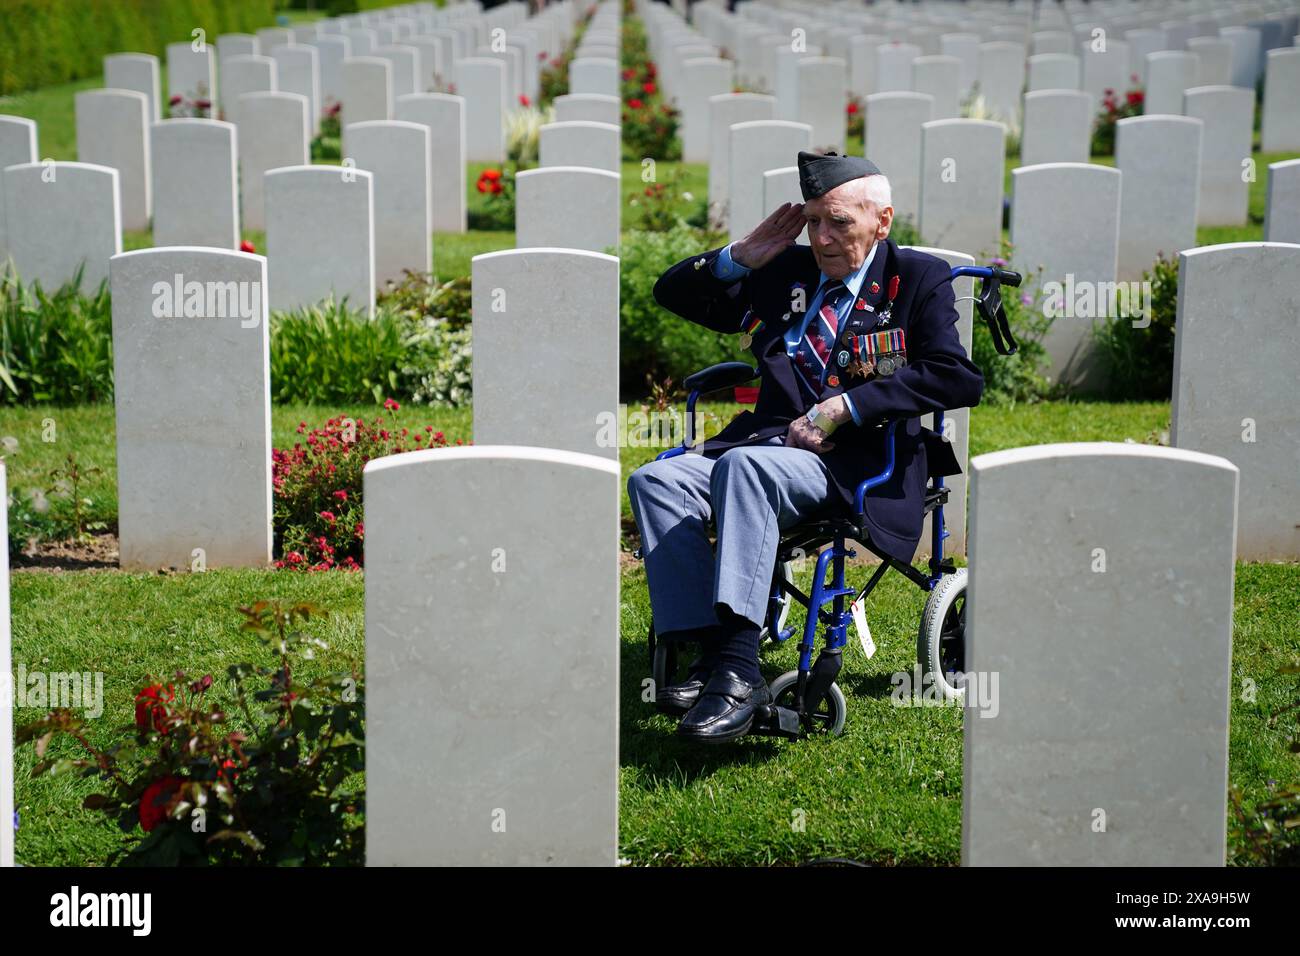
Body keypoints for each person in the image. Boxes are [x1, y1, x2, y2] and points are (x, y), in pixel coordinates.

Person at [626, 150, 983, 744]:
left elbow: (956, 376)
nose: (820, 238)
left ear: (882, 221)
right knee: (655, 481)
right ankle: (706, 652)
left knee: (745, 469)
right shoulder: (785, 273)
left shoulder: (916, 279)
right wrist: (737, 258)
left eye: (838, 222)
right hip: (764, 447)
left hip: (858, 461)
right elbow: (673, 295)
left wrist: (846, 406)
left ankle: (738, 673)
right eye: (813, 220)